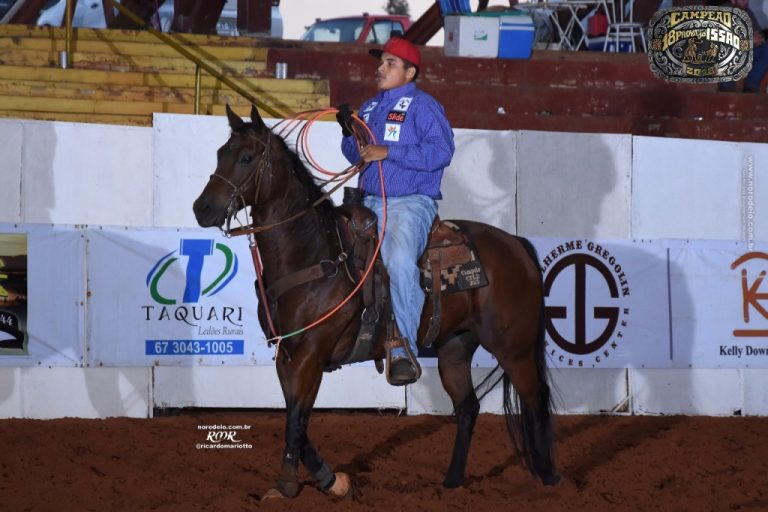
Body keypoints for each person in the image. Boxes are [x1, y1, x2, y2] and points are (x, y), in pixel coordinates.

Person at [337, 37, 455, 385]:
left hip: (410, 202)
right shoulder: (370, 106)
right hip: (367, 201)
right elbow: (357, 155)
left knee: (401, 260)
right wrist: (350, 136)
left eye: (390, 63)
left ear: (410, 71)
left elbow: (441, 151)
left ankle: (403, 349)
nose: (381, 68)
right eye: (381, 62)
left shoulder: (424, 105)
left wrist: (388, 151)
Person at [717, 0, 768, 92]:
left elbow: (757, 33)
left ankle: (751, 86)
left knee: (765, 48)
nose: (746, 1)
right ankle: (726, 85)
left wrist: (760, 38)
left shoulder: (748, 12)